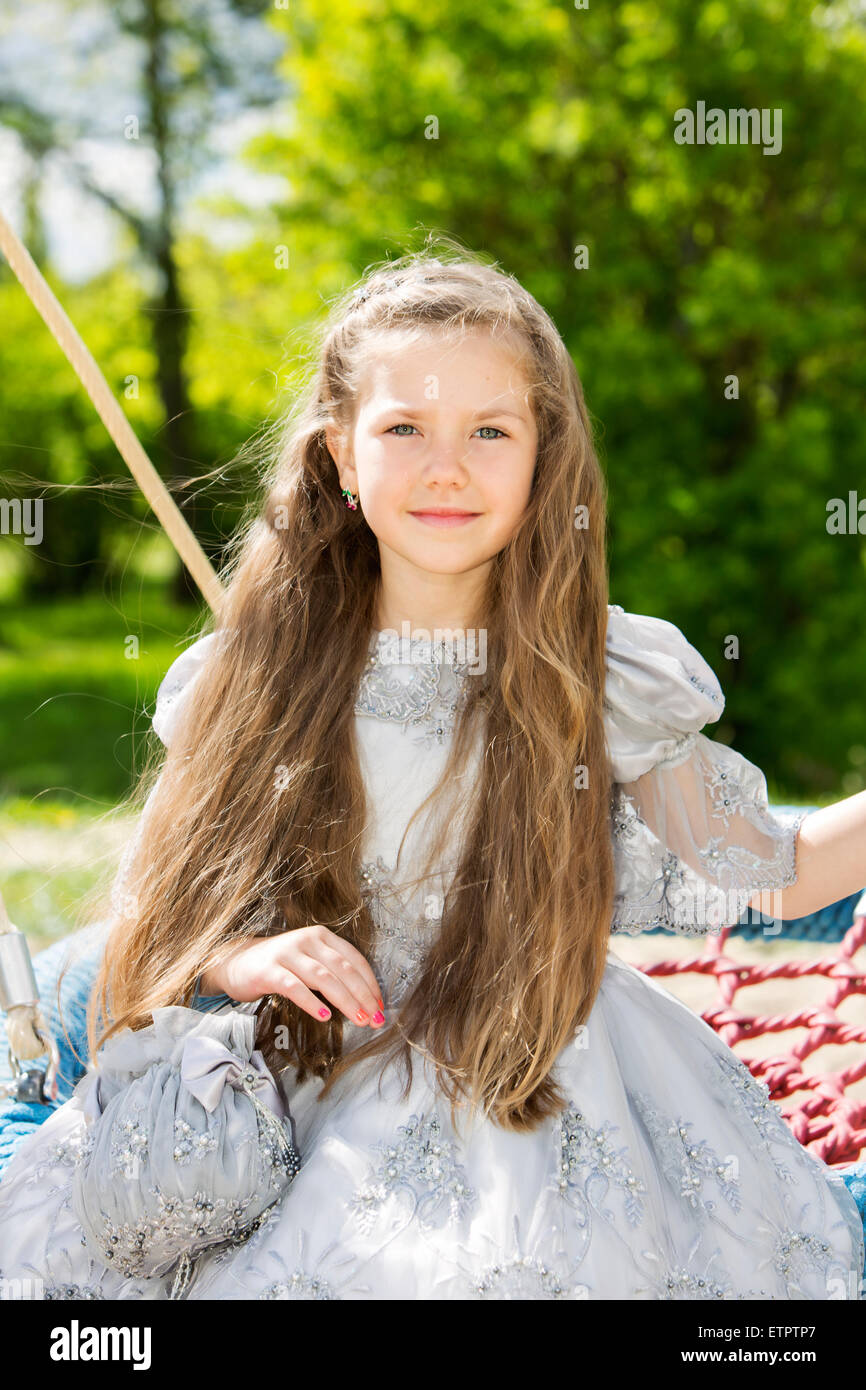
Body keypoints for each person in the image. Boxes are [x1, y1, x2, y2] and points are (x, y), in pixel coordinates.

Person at [1, 244, 866, 1300]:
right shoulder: (253, 673)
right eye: (403, 427)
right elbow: (156, 920)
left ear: (543, 456)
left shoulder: (599, 674)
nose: (444, 466)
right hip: (302, 1082)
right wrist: (242, 958)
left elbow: (763, 871)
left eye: (488, 430)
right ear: (339, 459)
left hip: (533, 1076)